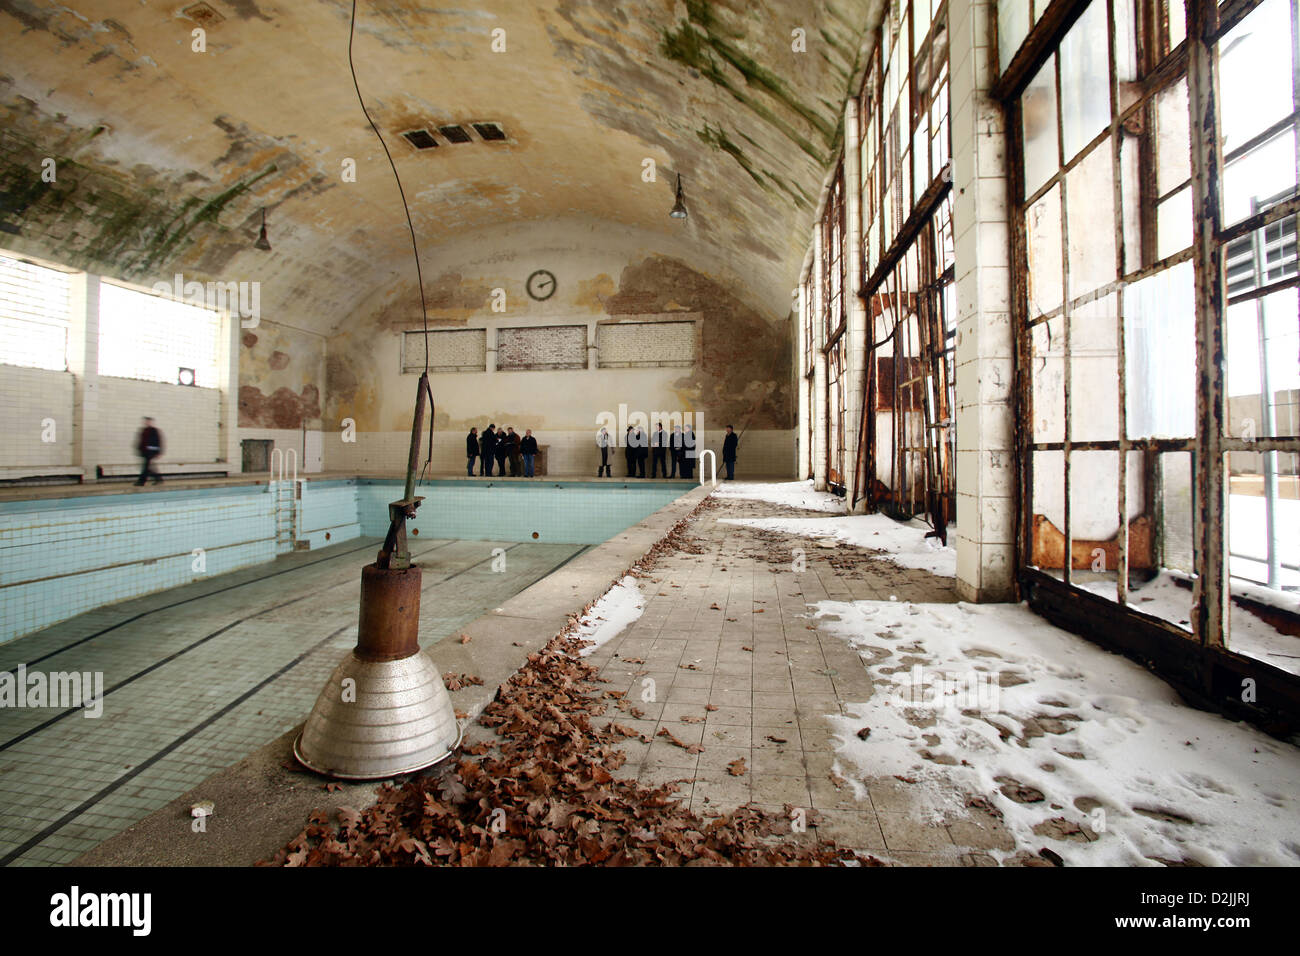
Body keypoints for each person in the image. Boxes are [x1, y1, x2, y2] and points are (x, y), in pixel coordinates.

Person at [135, 417, 163, 486]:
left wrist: (158, 452)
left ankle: (141, 481)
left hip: (151, 451)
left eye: (148, 421)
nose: (146, 422)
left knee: (146, 466)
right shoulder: (143, 430)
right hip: (145, 451)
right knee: (148, 467)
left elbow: (158, 441)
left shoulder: (154, 430)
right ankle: (158, 479)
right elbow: (141, 441)